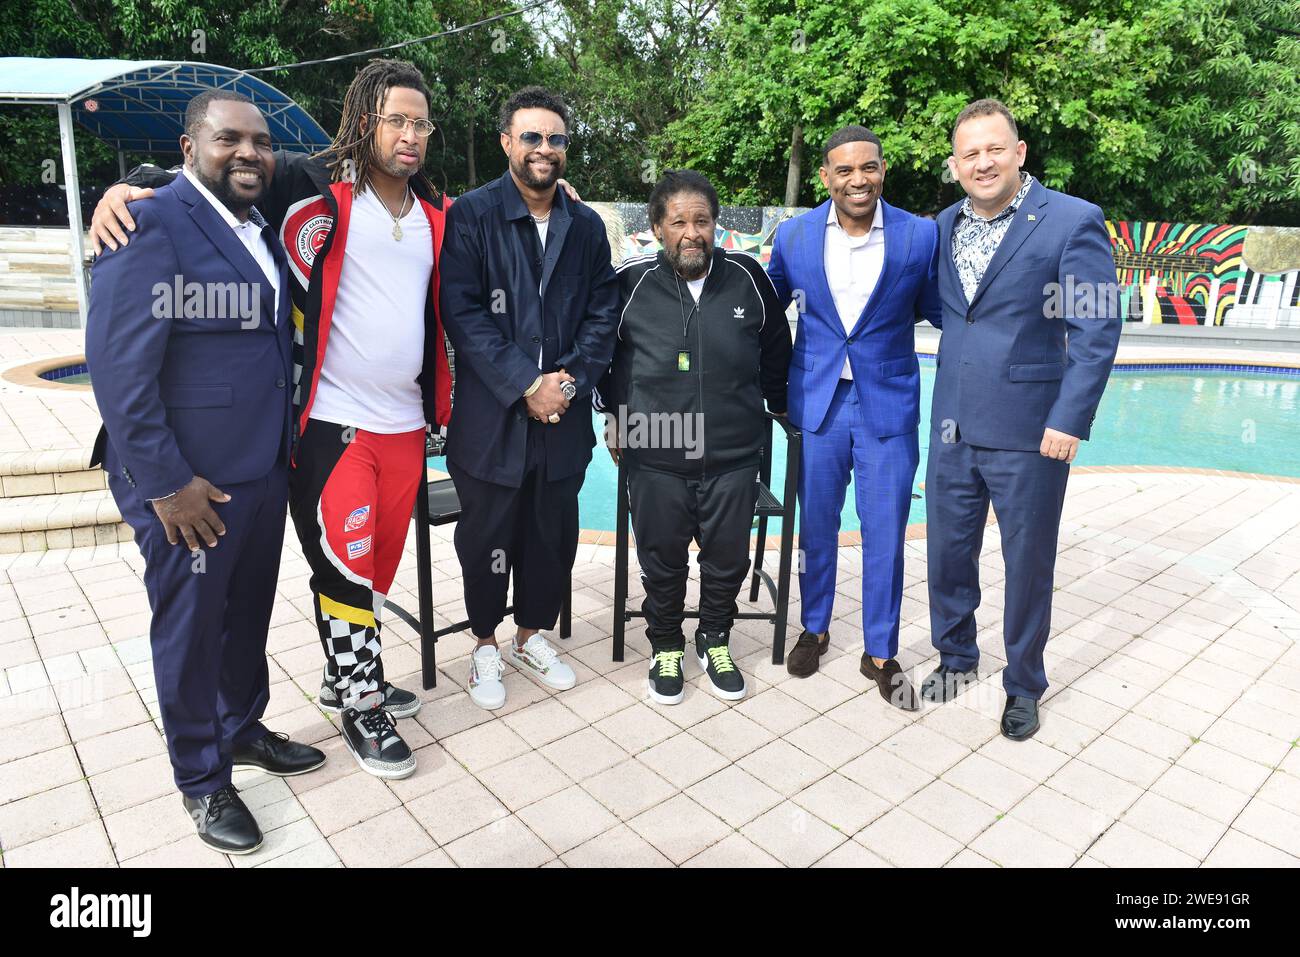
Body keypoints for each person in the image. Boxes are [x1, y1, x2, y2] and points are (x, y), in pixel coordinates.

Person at [91, 59, 454, 780]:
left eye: (421, 123)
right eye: (396, 120)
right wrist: (124, 191)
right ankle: (338, 711)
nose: (410, 135)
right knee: (329, 572)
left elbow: (230, 175)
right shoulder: (310, 187)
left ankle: (270, 710)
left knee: (338, 582)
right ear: (363, 123)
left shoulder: (439, 211)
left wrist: (553, 191)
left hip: (369, 433)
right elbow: (211, 175)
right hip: (321, 426)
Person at [86, 91, 325, 855]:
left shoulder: (255, 226)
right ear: (190, 148)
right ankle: (202, 777)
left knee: (247, 613)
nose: (250, 153)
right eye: (230, 140)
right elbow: (120, 370)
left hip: (260, 470)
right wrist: (165, 484)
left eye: (260, 142)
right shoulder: (149, 222)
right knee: (190, 631)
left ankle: (241, 727)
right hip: (189, 487)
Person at [923, 99, 1121, 740]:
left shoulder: (1070, 222)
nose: (982, 162)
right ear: (955, 167)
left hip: (1031, 432)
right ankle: (956, 656)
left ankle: (1024, 685)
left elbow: (1096, 328)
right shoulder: (944, 224)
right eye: (969, 154)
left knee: (1026, 562)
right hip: (951, 424)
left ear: (1019, 153)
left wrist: (1070, 418)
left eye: (993, 149)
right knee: (949, 552)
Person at [438, 86, 619, 710]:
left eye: (556, 139)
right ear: (507, 143)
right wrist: (526, 384)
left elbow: (603, 317)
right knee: (486, 541)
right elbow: (462, 314)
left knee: (550, 539)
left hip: (562, 422)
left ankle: (530, 636)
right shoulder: (474, 216)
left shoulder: (586, 226)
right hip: (492, 424)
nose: (545, 149)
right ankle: (484, 645)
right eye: (533, 137)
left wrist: (564, 384)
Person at [599, 170, 791, 705]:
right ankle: (665, 644)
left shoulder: (748, 277)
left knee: (728, 557)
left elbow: (776, 349)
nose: (692, 232)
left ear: (716, 226)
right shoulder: (630, 282)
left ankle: (715, 637)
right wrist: (615, 421)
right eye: (678, 221)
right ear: (659, 227)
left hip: (732, 450)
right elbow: (606, 361)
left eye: (702, 221)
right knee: (662, 557)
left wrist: (776, 407)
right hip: (655, 448)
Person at [765, 126, 941, 710]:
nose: (857, 180)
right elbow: (767, 313)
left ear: (882, 170)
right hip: (817, 404)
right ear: (826, 177)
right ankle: (814, 628)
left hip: (886, 405)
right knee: (816, 526)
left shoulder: (919, 236)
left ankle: (881, 651)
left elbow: (944, 312)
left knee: (885, 529)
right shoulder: (794, 237)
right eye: (844, 170)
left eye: (867, 168)